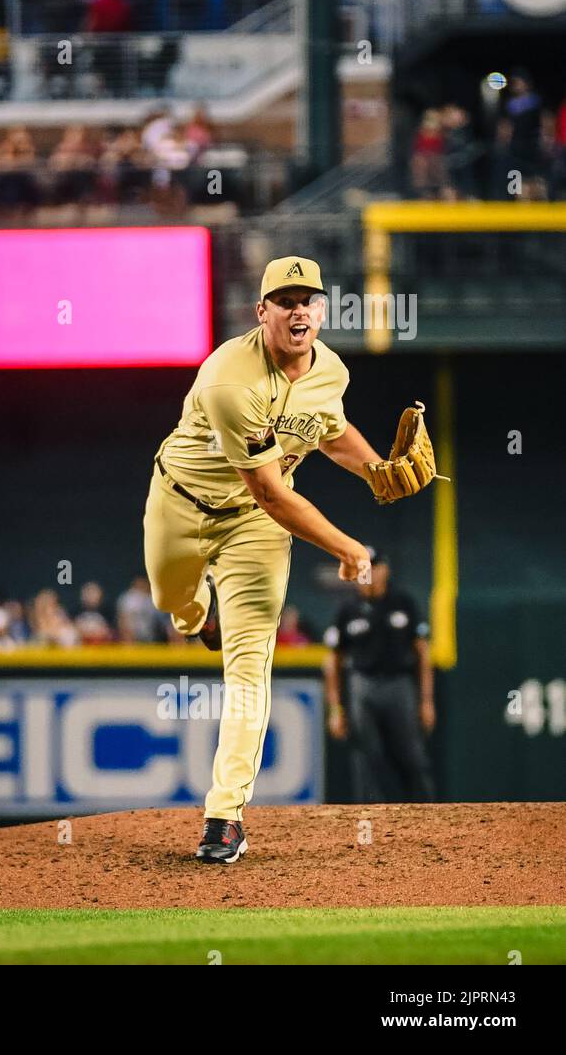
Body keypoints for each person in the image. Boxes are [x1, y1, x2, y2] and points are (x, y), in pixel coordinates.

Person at [143, 256, 433, 864]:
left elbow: (328, 429)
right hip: (182, 504)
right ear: (262, 313)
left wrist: (375, 467)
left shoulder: (331, 369)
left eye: (309, 299)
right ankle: (198, 617)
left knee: (249, 672)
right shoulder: (231, 379)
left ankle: (225, 816)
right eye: (285, 299)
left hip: (253, 532)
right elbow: (274, 493)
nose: (298, 309)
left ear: (322, 310)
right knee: (171, 600)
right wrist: (349, 547)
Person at [323, 550, 436, 803]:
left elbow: (423, 653)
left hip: (399, 685)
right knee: (366, 756)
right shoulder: (347, 609)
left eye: (375, 567)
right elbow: (332, 661)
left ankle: (428, 816)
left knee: (411, 754)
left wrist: (426, 701)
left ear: (386, 569)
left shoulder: (403, 602)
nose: (370, 573)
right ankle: (370, 823)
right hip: (363, 685)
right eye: (364, 567)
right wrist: (334, 709)